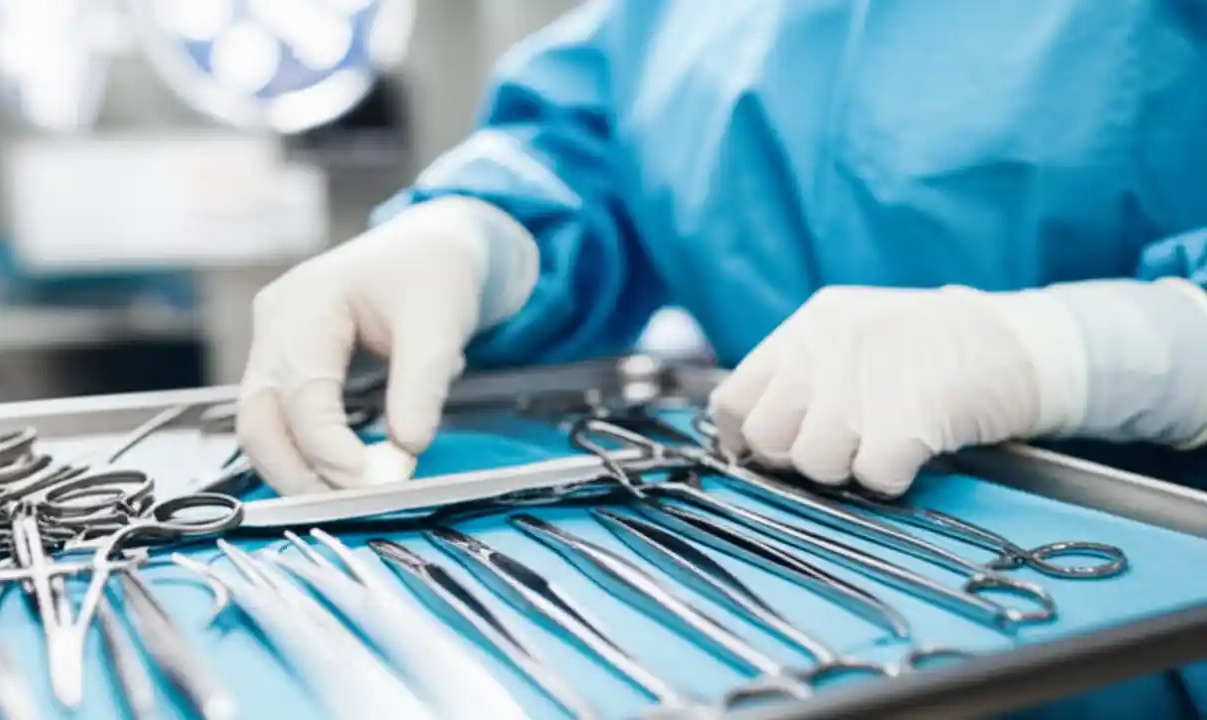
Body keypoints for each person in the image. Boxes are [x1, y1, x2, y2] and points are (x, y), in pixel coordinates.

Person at [238, 2, 1207, 714]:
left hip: (1132, 611)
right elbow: (596, 143)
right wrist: (473, 234)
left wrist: (1072, 351)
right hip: (778, 591)